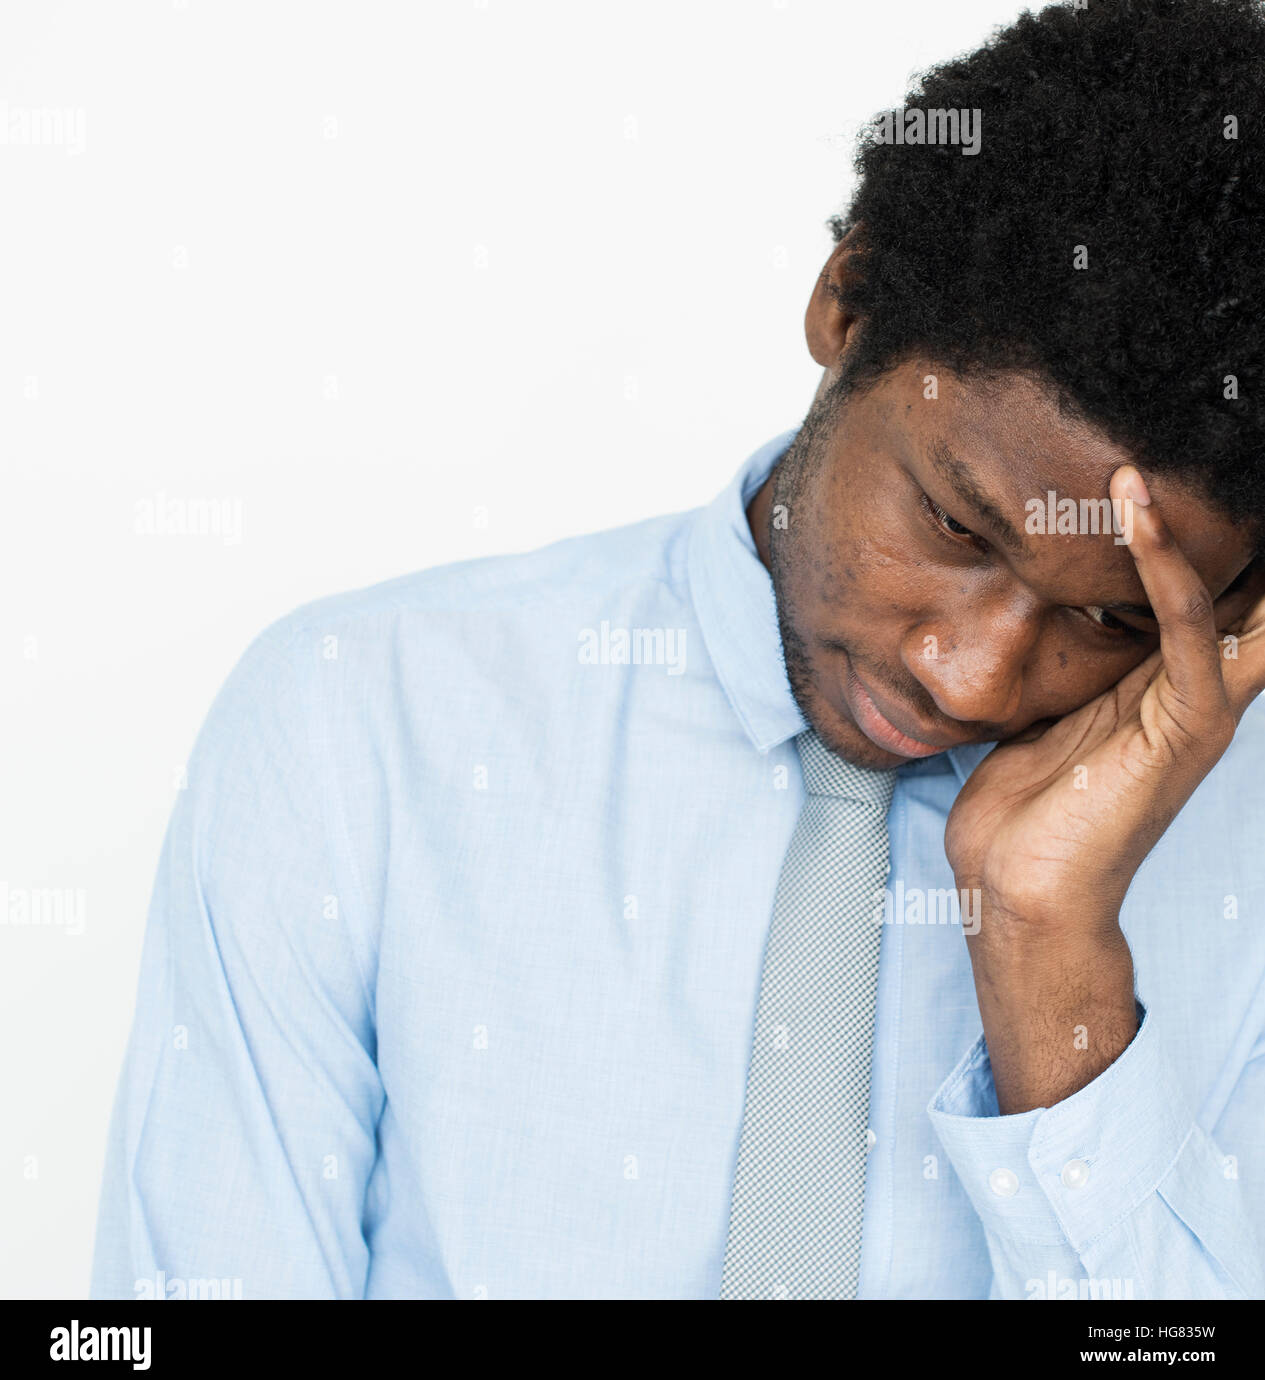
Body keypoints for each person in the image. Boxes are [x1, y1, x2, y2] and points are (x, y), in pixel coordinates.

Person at [93, 0, 1265, 1299]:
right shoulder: (360, 725)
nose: (971, 674)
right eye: (951, 521)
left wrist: (1054, 978)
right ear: (847, 301)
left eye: (1109, 617)